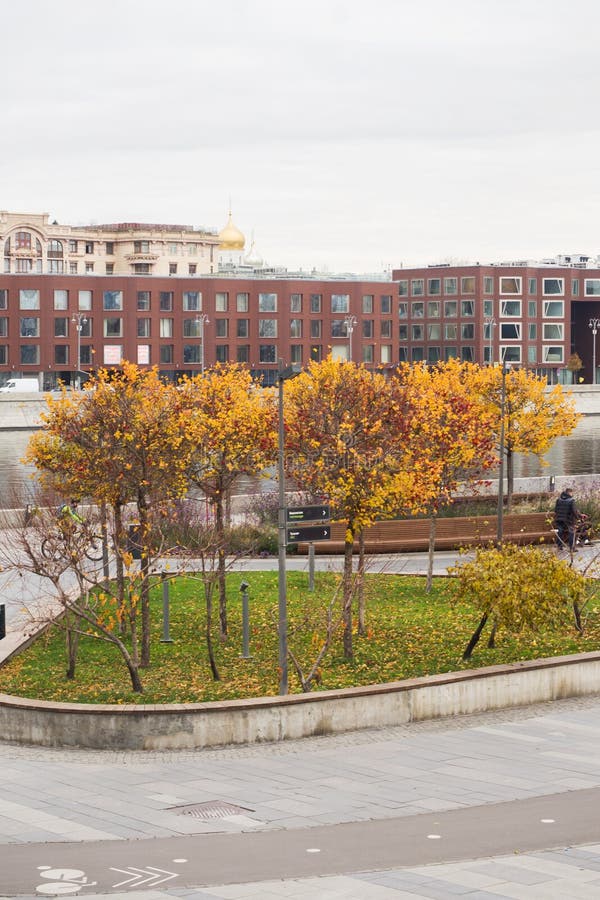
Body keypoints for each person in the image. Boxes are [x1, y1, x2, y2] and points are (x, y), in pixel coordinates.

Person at [554, 487, 579, 552]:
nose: (572, 494)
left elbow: (556, 510)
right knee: (572, 532)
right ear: (569, 492)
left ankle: (559, 546)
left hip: (559, 520)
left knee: (560, 531)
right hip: (568, 520)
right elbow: (574, 511)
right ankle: (571, 548)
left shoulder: (558, 500)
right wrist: (578, 518)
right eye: (572, 493)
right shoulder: (571, 500)